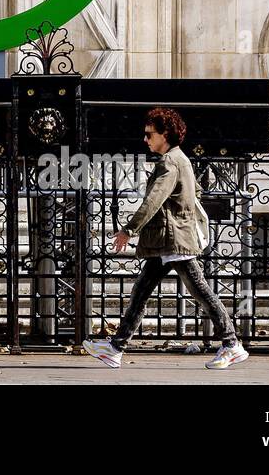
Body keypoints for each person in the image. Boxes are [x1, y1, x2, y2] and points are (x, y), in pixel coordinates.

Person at [83, 106, 249, 370]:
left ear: (166, 134)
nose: (145, 139)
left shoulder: (169, 162)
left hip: (173, 240)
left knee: (201, 292)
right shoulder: (179, 159)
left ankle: (231, 344)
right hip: (167, 240)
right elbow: (193, 191)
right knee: (142, 292)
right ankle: (115, 348)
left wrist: (129, 230)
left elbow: (154, 199)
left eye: (150, 134)